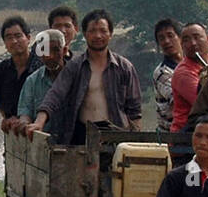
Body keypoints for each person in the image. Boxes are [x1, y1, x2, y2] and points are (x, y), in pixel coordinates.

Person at [27, 9, 143, 144]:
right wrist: (39, 122)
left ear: (110, 34)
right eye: (92, 31)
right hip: (83, 134)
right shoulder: (75, 67)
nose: (98, 36)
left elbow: (135, 110)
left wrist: (136, 141)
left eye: (103, 31)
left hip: (116, 135)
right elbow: (55, 95)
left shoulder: (124, 68)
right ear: (84, 34)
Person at [0, 15, 36, 130]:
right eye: (9, 37)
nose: (14, 41)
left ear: (28, 38)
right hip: (13, 131)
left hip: (38, 129)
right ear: (4, 43)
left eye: (18, 36)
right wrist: (7, 116)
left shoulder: (40, 69)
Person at [170, 22, 208, 132]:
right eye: (186, 40)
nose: (193, 43)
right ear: (182, 45)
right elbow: (205, 103)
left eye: (197, 37)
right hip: (186, 135)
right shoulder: (183, 73)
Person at [14, 28, 66, 127]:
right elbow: (25, 112)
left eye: (55, 50)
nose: (50, 56)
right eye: (45, 50)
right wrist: (25, 124)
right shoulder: (32, 81)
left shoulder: (76, 76)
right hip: (42, 140)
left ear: (64, 50)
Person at [152, 19, 184, 132]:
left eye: (170, 35)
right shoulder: (162, 73)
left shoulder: (194, 65)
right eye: (161, 38)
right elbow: (180, 101)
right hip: (172, 136)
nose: (166, 41)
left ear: (180, 38)